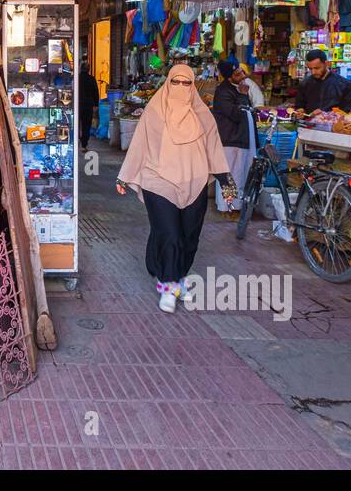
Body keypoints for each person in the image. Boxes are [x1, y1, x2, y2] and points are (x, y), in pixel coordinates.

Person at [116, 64, 237, 313]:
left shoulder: (203, 115)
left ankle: (178, 276)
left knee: (188, 236)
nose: (181, 88)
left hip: (194, 180)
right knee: (169, 233)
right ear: (168, 83)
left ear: (193, 86)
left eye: (186, 83)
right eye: (176, 82)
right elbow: (139, 144)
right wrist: (124, 177)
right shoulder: (154, 112)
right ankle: (168, 285)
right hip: (158, 180)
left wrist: (226, 181)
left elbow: (214, 148)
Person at [211, 60, 253, 215]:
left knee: (239, 173)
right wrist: (242, 96)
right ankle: (227, 208)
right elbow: (236, 114)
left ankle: (236, 206)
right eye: (237, 74)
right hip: (230, 140)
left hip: (239, 138)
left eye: (242, 72)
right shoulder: (223, 92)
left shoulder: (237, 88)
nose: (242, 76)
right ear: (229, 77)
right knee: (229, 175)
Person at [294, 49, 351, 114]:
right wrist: (300, 111)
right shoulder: (305, 84)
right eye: (310, 69)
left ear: (327, 64)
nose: (313, 72)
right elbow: (299, 106)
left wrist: (327, 115)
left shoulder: (344, 84)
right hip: (308, 123)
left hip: (336, 123)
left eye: (317, 68)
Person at [78, 62, 99, 150]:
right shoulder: (91, 79)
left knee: (76, 123)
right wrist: (96, 104)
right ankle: (84, 144)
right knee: (86, 125)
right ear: (88, 69)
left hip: (77, 105)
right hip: (88, 105)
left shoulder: (77, 78)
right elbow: (95, 92)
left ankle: (76, 140)